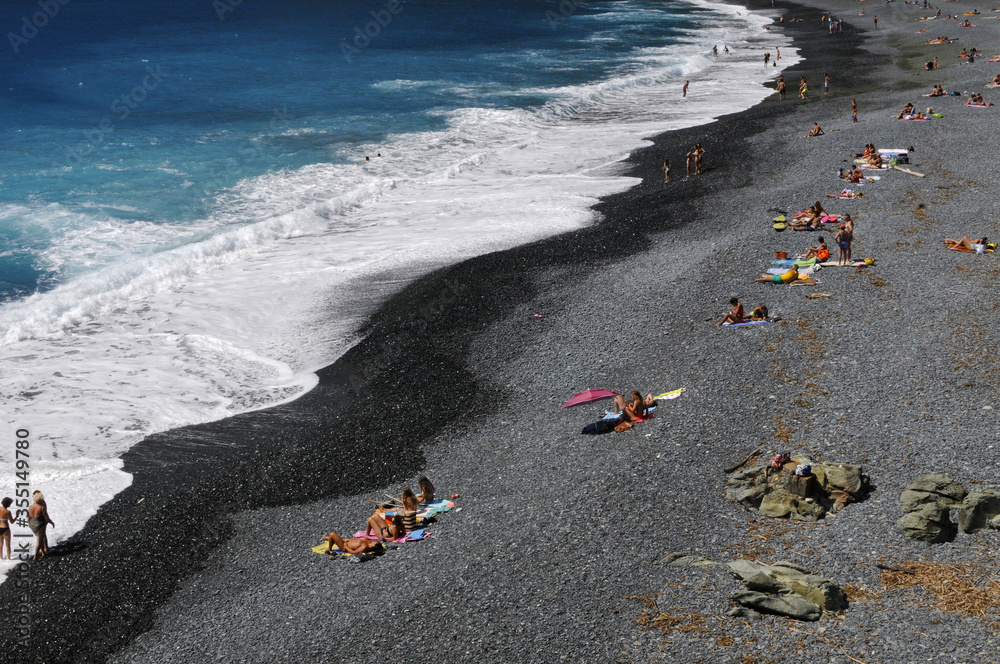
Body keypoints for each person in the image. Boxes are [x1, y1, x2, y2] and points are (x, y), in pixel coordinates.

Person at [27, 492, 54, 561]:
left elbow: (29, 518)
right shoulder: (41, 507)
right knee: (39, 540)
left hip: (32, 524)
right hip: (39, 524)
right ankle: (35, 555)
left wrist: (30, 524)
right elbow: (46, 518)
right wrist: (51, 522)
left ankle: (43, 552)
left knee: (40, 538)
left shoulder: (30, 507)